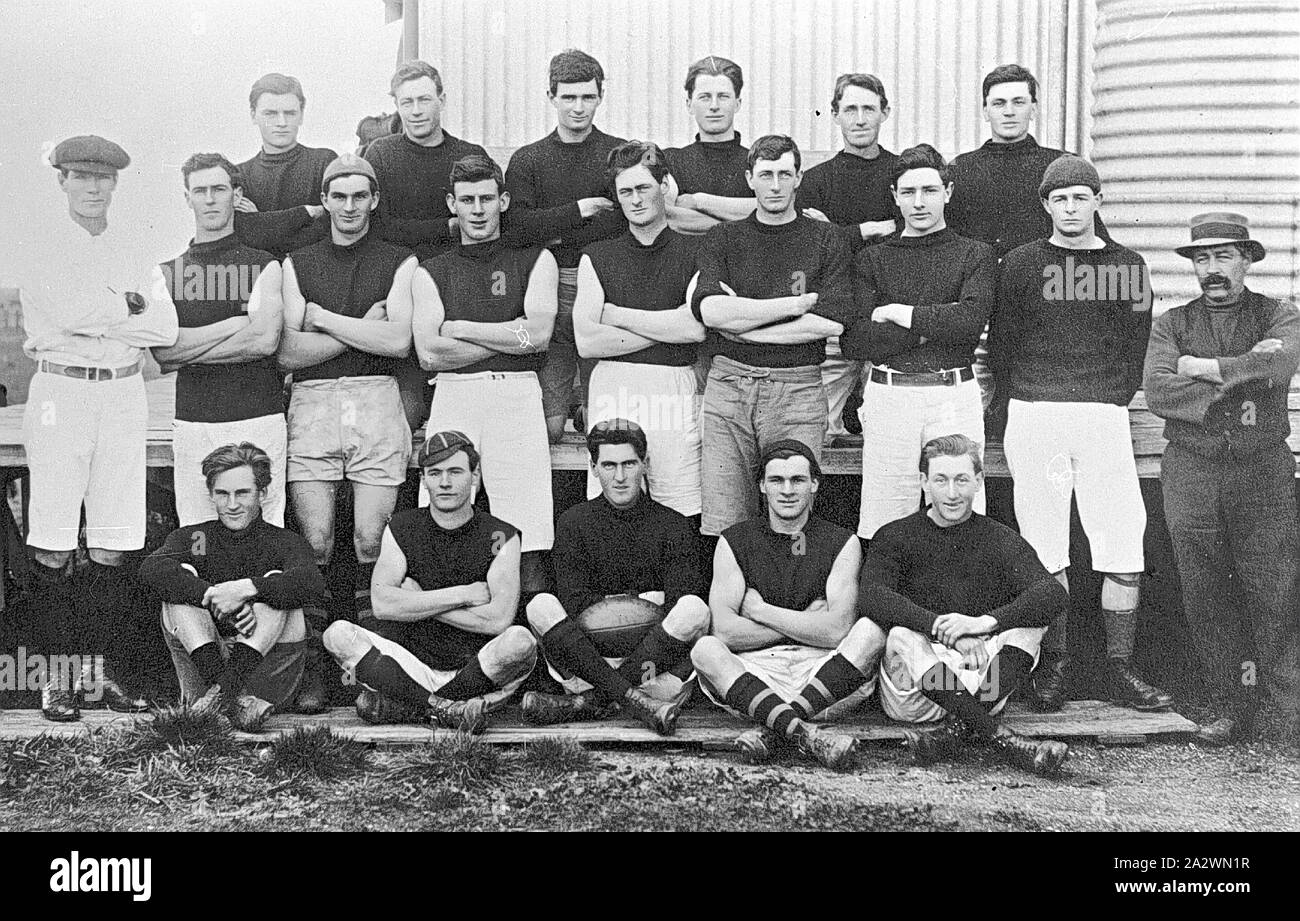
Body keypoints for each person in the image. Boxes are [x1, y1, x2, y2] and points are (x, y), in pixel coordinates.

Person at [988, 154, 1171, 714]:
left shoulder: (1127, 265)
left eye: (1080, 196)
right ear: (1045, 205)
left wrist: (1108, 398)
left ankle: (1119, 668)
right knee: (1046, 544)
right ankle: (1055, 667)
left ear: (1097, 201)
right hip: (1037, 412)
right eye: (1059, 198)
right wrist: (1031, 393)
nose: (1070, 207)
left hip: (1101, 415)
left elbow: (1134, 343)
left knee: (1120, 540)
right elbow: (1004, 342)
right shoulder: (1021, 263)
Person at [14, 135, 179, 721]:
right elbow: (67, 313)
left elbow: (163, 326)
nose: (91, 187)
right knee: (55, 539)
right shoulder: (39, 245)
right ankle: (56, 680)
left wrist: (116, 311)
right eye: (79, 176)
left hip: (122, 392)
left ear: (115, 184)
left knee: (114, 539)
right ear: (60, 180)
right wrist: (123, 308)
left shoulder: (135, 248)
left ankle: (103, 675)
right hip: (61, 390)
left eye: (101, 178)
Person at [1144, 212, 1300, 746]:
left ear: (1247, 259)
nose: (1213, 269)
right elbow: (1159, 391)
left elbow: (1277, 371)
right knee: (1207, 595)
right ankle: (1233, 706)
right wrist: (1235, 376)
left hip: (1262, 473)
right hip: (1191, 472)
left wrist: (1200, 366)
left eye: (1224, 256)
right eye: (1203, 259)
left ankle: (1289, 713)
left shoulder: (1280, 313)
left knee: (1274, 590)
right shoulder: (1171, 322)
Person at [861, 435, 1071, 776]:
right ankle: (1000, 737)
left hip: (979, 681)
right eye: (941, 480)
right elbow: (872, 596)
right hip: (915, 691)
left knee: (1032, 625)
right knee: (899, 634)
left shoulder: (998, 537)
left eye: (962, 480)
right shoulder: (895, 535)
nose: (952, 492)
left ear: (978, 481)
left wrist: (985, 623)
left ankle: (955, 733)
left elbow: (1052, 595)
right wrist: (946, 632)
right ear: (924, 482)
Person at [277, 154, 417, 626]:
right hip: (313, 402)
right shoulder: (298, 262)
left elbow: (397, 341)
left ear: (374, 199)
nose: (350, 206)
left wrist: (324, 319)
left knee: (370, 539)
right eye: (339, 196)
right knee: (316, 539)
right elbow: (288, 353)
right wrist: (361, 329)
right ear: (324, 200)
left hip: (375, 396)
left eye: (360, 196)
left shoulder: (399, 260)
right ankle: (319, 657)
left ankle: (370, 660)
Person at [692, 134, 854, 538]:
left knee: (792, 512)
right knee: (726, 516)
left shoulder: (825, 238)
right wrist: (793, 306)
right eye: (766, 174)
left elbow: (832, 322)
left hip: (798, 388)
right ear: (750, 179)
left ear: (799, 177)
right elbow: (709, 311)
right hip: (729, 385)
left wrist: (742, 324)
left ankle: (789, 599)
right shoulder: (723, 238)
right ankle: (732, 602)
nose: (776, 185)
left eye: (785, 174)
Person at [411, 153, 558, 597]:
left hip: (516, 394)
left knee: (526, 527)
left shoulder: (535, 259)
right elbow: (431, 354)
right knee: (442, 515)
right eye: (468, 199)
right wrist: (506, 339)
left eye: (487, 198)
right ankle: (443, 633)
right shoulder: (431, 270)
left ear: (504, 200)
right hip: (454, 394)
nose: (477, 209)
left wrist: (463, 329)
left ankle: (533, 640)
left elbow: (538, 336)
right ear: (452, 204)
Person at [321, 432, 538, 732]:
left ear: (475, 475)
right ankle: (443, 709)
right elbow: (382, 604)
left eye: (455, 472)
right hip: (412, 669)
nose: (445, 483)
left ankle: (415, 707)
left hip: (478, 670)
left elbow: (497, 621)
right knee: (337, 635)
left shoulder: (500, 535)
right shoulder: (402, 527)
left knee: (520, 642)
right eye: (435, 473)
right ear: (423, 479)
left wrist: (419, 599)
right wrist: (463, 594)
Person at [691, 440, 882, 769]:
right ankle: (806, 733)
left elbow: (838, 631)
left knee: (871, 632)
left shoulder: (842, 541)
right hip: (756, 673)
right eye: (777, 480)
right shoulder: (734, 540)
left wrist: (761, 612)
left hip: (824, 674)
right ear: (762, 486)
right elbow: (724, 631)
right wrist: (805, 623)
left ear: (814, 485)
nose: (787, 490)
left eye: (798, 480)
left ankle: (775, 727)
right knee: (704, 649)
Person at [841, 144, 996, 539]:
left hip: (952, 395)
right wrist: (934, 323)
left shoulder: (974, 255)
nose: (919, 202)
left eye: (929, 190)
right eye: (908, 193)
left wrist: (899, 312)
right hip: (890, 395)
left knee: (959, 512)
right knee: (885, 519)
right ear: (894, 197)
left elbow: (969, 323)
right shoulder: (873, 258)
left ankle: (957, 602)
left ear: (947, 192)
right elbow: (857, 341)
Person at [522, 420, 709, 734]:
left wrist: (613, 605)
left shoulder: (673, 525)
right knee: (540, 605)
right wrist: (642, 601)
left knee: (695, 609)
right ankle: (624, 697)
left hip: (655, 675)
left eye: (629, 464)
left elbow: (679, 605)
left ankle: (594, 702)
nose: (620, 477)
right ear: (593, 467)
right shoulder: (573, 522)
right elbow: (574, 604)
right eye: (609, 465)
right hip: (590, 666)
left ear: (644, 464)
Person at [947, 64, 1107, 420]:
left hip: (1044, 301)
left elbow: (1095, 241)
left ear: (1034, 108)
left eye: (1019, 101)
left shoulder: (1060, 166)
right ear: (985, 109)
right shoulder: (961, 170)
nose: (1008, 111)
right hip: (977, 299)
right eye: (999, 102)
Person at [139, 443, 326, 732]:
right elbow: (152, 569)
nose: (232, 504)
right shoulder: (197, 536)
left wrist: (247, 589)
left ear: (262, 493)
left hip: (268, 681)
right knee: (178, 589)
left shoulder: (284, 541)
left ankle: (224, 692)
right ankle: (229, 698)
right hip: (206, 668)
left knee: (276, 588)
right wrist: (209, 595)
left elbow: (310, 582)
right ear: (211, 494)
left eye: (242, 493)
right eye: (222, 494)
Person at [152, 153, 286, 528]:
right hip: (195, 420)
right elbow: (163, 352)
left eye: (219, 189)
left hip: (259, 414)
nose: (210, 198)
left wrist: (188, 352)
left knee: (265, 530)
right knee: (198, 531)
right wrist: (233, 324)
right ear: (187, 198)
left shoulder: (264, 264)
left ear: (236, 194)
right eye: (200, 190)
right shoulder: (168, 273)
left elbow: (262, 341)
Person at [574, 140, 706, 518]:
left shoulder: (696, 251)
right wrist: (667, 325)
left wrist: (615, 314)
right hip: (613, 387)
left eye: (643, 188)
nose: (635, 199)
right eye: (625, 192)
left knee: (677, 502)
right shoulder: (597, 255)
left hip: (672, 387)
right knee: (613, 504)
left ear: (664, 186)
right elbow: (587, 340)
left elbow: (695, 329)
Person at [364, 61, 494, 432]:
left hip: (459, 283)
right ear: (397, 105)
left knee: (460, 405)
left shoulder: (468, 153)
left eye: (424, 99)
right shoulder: (381, 153)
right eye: (407, 102)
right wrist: (447, 226)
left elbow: (484, 221)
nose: (416, 110)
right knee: (407, 409)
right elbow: (381, 227)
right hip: (401, 285)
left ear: (442, 99)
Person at [506, 49, 627, 442]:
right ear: (551, 97)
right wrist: (581, 209)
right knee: (547, 427)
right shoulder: (529, 160)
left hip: (603, 286)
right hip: (546, 288)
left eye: (588, 97)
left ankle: (586, 408)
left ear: (600, 97)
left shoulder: (618, 154)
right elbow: (518, 228)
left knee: (606, 422)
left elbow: (623, 221)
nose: (578, 107)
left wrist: (552, 226)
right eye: (569, 97)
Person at [799, 74, 902, 444]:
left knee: (889, 433)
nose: (860, 119)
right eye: (850, 109)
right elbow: (813, 247)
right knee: (818, 433)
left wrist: (838, 232)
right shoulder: (815, 181)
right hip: (833, 322)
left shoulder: (904, 175)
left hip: (890, 319)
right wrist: (872, 229)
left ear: (885, 112)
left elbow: (912, 237)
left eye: (869, 109)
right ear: (834, 114)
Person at [234, 73, 334, 258]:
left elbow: (328, 233)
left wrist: (262, 222)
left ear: (301, 115)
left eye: (289, 113)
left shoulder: (324, 162)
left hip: (314, 277)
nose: (281, 122)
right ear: (253, 115)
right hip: (261, 280)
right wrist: (307, 212)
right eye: (270, 114)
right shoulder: (239, 175)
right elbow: (248, 238)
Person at [664, 55, 755, 233]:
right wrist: (742, 221)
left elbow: (775, 212)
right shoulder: (671, 160)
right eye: (705, 97)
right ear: (689, 105)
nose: (714, 106)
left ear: (737, 104)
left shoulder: (757, 162)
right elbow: (667, 217)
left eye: (723, 96)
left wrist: (699, 201)